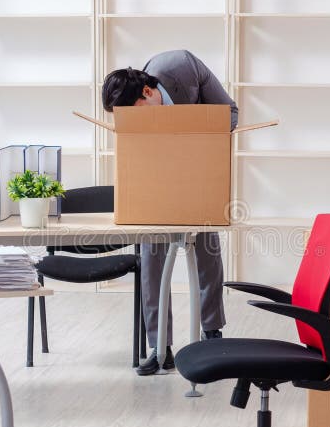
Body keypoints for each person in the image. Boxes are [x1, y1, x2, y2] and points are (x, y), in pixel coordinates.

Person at [102, 49, 237, 376]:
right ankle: (159, 346)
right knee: (152, 255)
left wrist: (196, 134)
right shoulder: (139, 102)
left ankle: (212, 332)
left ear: (148, 92)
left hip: (200, 168)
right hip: (160, 174)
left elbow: (230, 113)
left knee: (207, 250)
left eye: (139, 111)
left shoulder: (183, 67)